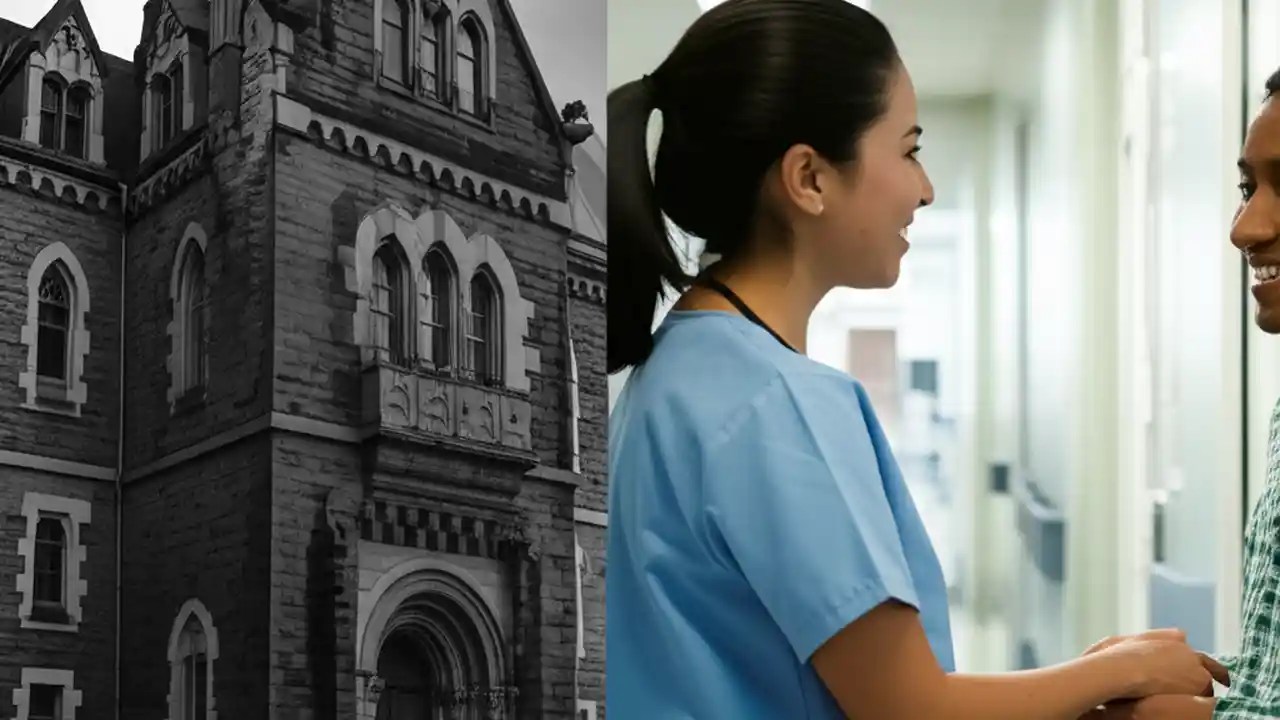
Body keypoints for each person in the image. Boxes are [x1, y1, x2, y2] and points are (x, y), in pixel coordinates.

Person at [604, 0, 1227, 717]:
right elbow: (909, 709)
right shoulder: (776, 403)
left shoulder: (674, 372)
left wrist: (1083, 684)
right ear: (809, 178)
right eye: (908, 149)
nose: (924, 189)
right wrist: (1125, 670)